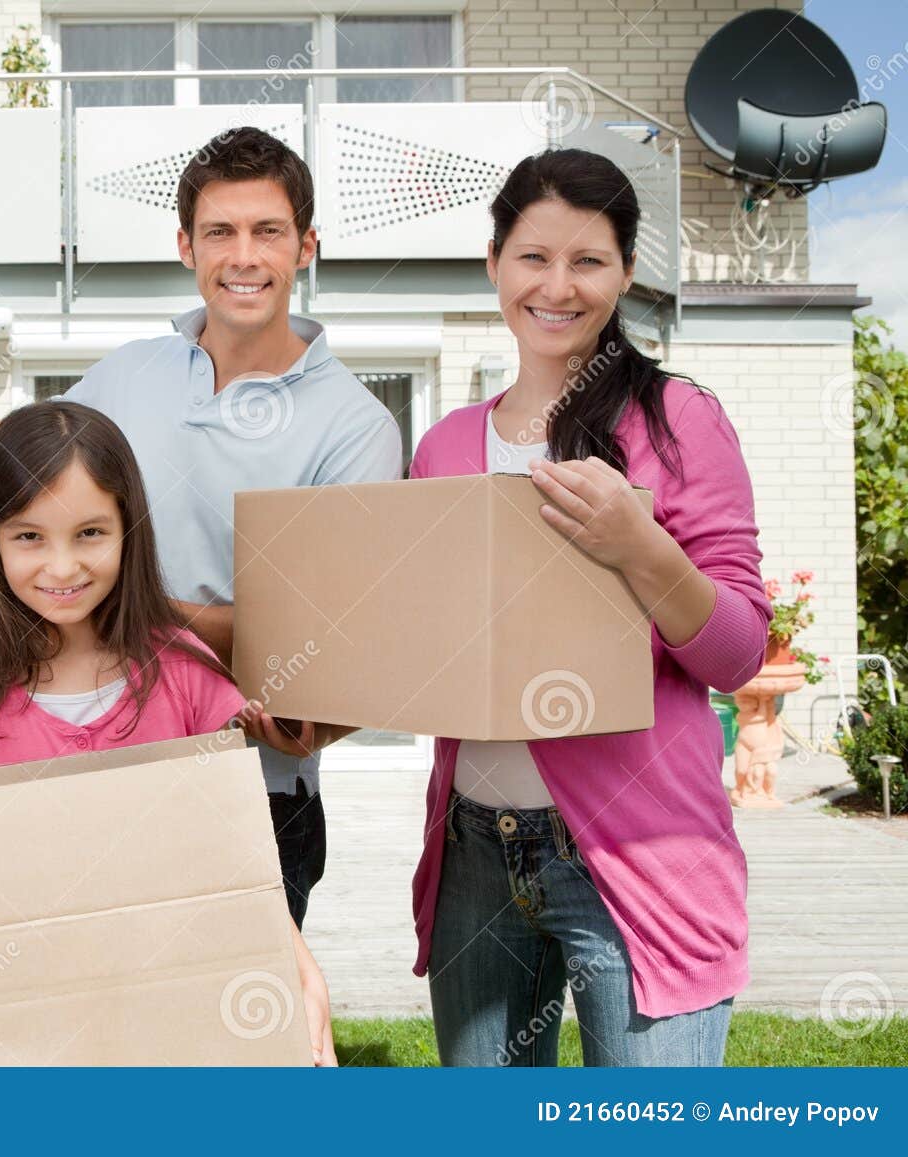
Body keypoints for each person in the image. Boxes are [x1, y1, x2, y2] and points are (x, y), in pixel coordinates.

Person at [0, 128, 403, 926]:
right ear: (186, 245)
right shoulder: (135, 369)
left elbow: (331, 644)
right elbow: (33, 443)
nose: (243, 256)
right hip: (81, 762)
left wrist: (134, 603)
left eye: (267, 231)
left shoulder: (357, 426)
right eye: (219, 232)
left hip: (244, 780)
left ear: (306, 246)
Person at [409, 149, 772, 1066]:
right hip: (475, 855)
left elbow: (735, 654)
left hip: (644, 850)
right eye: (533, 257)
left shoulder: (677, 420)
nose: (558, 286)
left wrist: (640, 547)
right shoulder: (446, 447)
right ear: (493, 263)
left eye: (589, 261)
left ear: (627, 274)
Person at [0, 401, 337, 1065]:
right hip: (25, 1038)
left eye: (90, 532)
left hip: (180, 1026)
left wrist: (301, 966)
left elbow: (240, 866)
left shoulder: (187, 678)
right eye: (29, 536)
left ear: (129, 530)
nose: (62, 568)